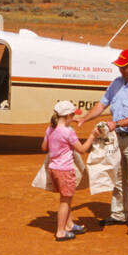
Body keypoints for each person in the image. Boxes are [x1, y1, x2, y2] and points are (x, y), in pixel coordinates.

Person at [74, 48, 128, 235]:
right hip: (118, 137)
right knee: (118, 177)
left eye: (124, 67)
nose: (120, 70)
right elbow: (102, 104)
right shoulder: (116, 83)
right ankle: (118, 214)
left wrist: (115, 123)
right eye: (119, 66)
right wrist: (85, 119)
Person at [43, 100, 94, 240]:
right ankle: (60, 231)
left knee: (66, 198)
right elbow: (82, 150)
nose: (73, 117)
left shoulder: (50, 129)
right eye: (72, 115)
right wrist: (92, 136)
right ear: (67, 116)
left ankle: (69, 224)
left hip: (53, 169)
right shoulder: (68, 132)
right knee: (65, 201)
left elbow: (44, 147)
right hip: (65, 171)